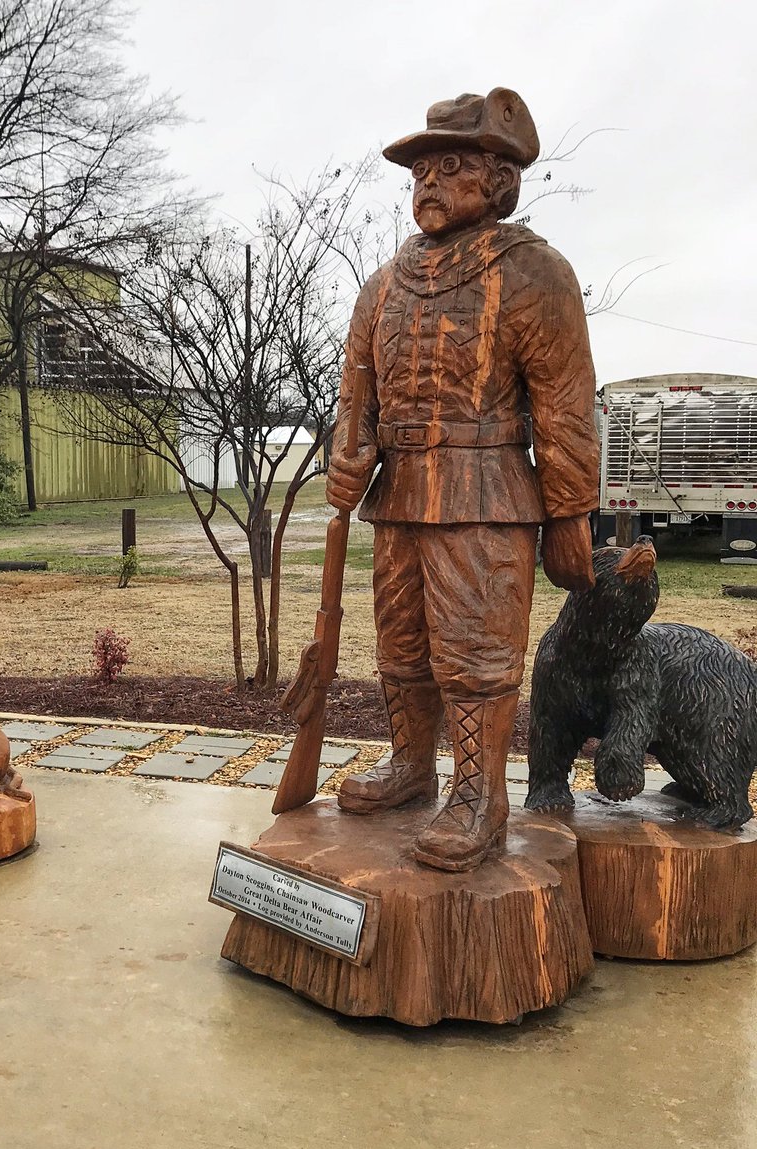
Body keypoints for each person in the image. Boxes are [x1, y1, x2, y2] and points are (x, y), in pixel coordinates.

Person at [325, 88, 599, 871]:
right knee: (402, 644)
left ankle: (480, 795)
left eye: (449, 168)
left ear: (498, 180)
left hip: (486, 495)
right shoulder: (382, 285)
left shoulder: (535, 274)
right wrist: (350, 456)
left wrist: (571, 513)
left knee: (473, 654)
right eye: (418, 173)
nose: (428, 185)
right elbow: (358, 392)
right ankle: (413, 766)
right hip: (401, 495)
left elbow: (566, 403)